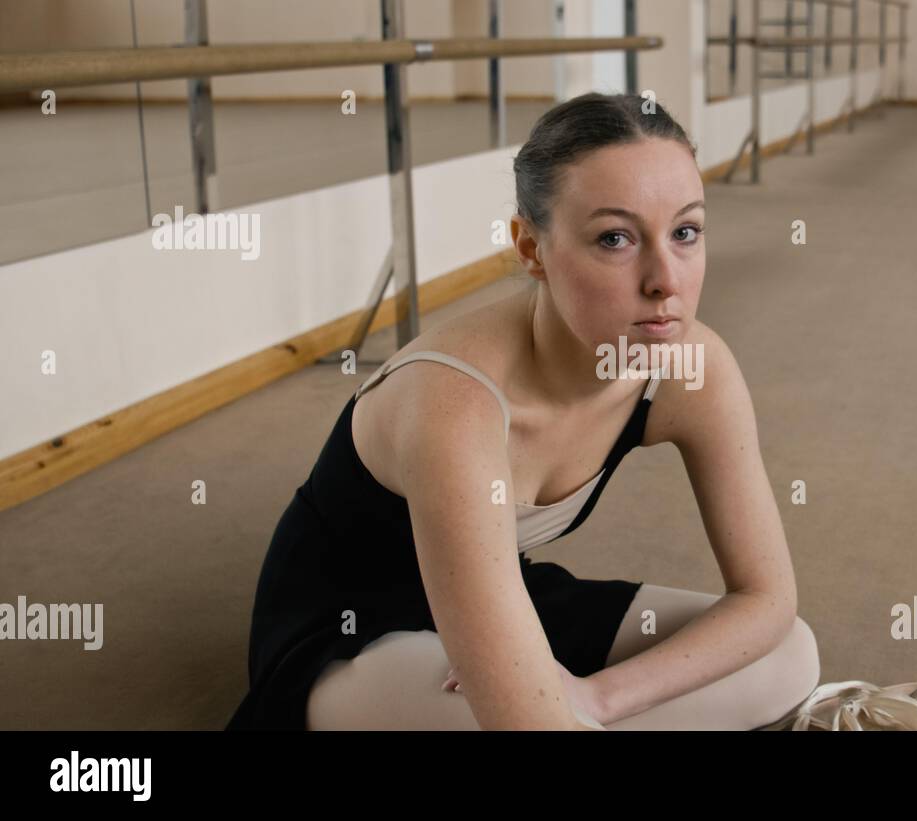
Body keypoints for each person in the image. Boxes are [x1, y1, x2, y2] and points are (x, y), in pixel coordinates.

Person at [226, 91, 820, 731]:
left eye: (685, 232)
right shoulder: (452, 403)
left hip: (500, 595)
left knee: (790, 654)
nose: (665, 280)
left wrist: (602, 697)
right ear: (531, 248)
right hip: (351, 634)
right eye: (615, 238)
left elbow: (766, 598)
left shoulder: (691, 366)